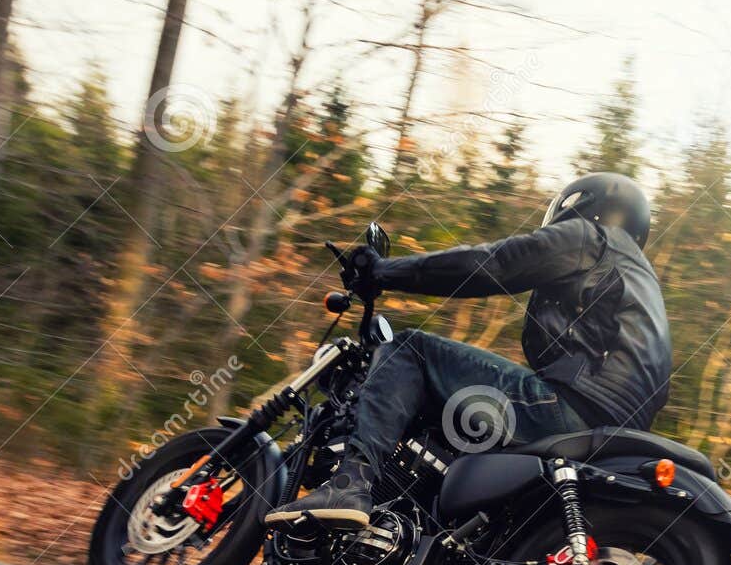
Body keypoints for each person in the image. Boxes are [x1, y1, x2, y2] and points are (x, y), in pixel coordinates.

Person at [266, 172, 671, 529]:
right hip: (609, 430)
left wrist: (385, 272)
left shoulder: (592, 239)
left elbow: (491, 264)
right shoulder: (642, 283)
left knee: (412, 350)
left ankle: (350, 484)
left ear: (581, 207)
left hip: (572, 407)